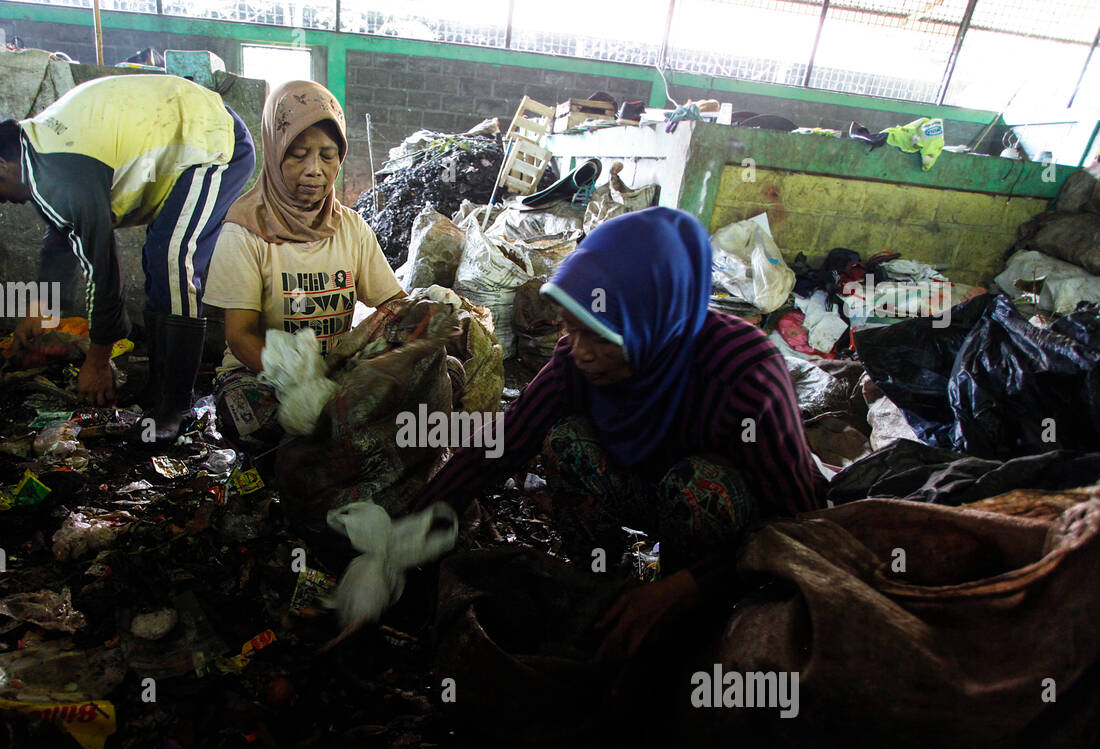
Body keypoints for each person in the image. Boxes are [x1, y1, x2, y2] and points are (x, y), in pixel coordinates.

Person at [410, 206, 827, 657]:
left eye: (600, 336)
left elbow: (797, 527)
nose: (580, 352)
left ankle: (696, 618)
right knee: (566, 442)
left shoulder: (745, 372)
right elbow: (503, 442)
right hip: (642, 488)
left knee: (700, 487)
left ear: (654, 319)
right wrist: (406, 531)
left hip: (721, 542)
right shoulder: (576, 357)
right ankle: (602, 586)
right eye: (571, 329)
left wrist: (689, 586)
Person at [0, 73, 256, 441]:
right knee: (159, 260)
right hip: (183, 137)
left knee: (175, 261)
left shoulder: (58, 170)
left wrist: (98, 360)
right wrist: (40, 311)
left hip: (214, 141)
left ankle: (175, 408)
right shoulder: (37, 152)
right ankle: (159, 395)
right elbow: (61, 237)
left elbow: (102, 270)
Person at [202, 79, 405, 456]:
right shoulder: (245, 230)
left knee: (431, 384)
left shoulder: (351, 229)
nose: (315, 170)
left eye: (328, 156)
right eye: (298, 154)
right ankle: (275, 478)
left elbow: (394, 304)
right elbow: (240, 335)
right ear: (275, 152)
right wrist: (296, 379)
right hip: (261, 372)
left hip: (336, 370)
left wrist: (429, 317)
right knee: (251, 418)